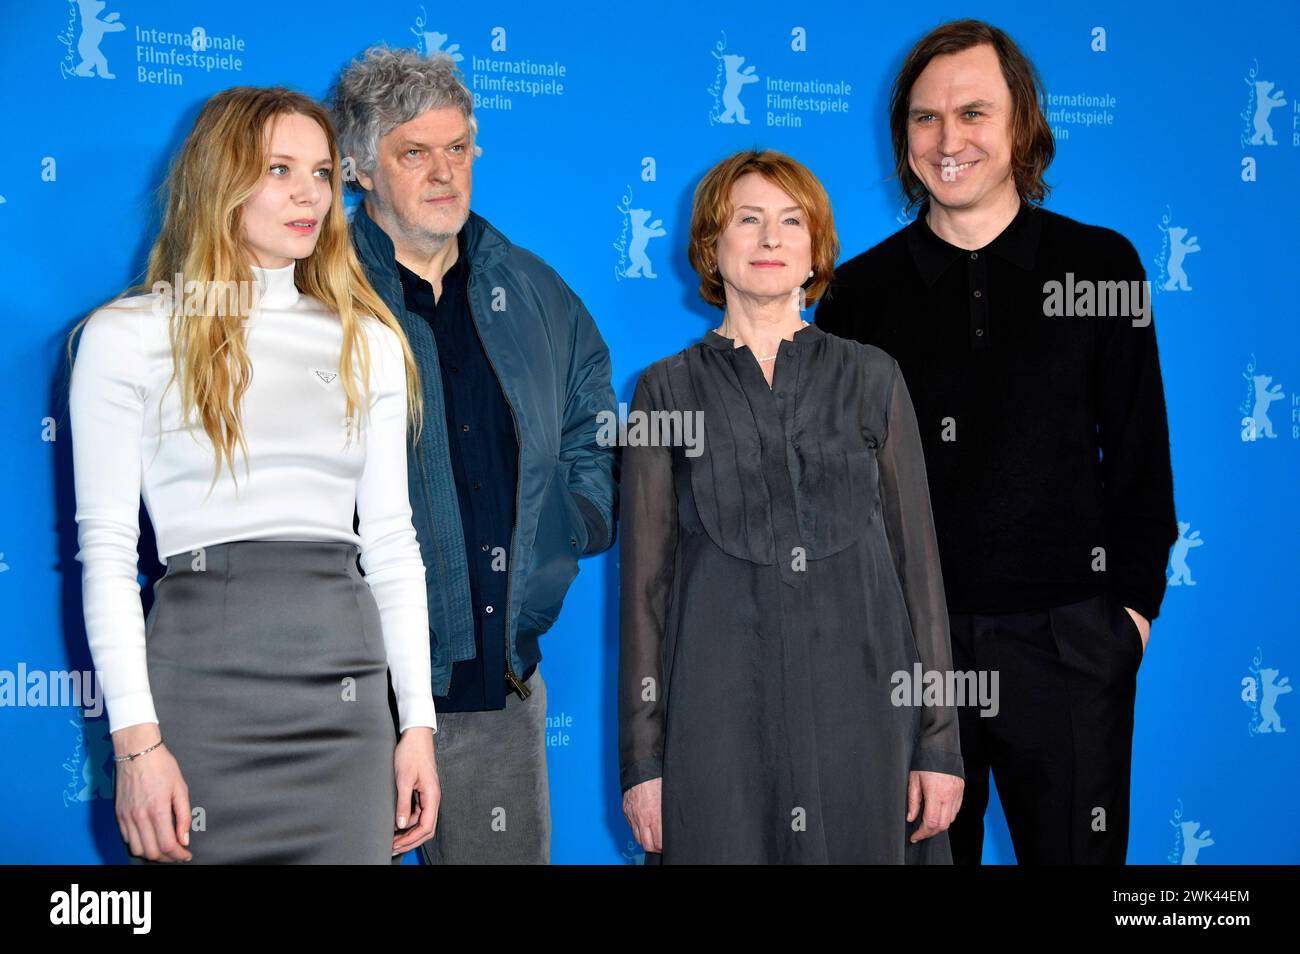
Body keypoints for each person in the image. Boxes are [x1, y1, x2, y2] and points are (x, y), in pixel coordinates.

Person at [816, 19, 1178, 864]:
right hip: (909, 653)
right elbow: (838, 485)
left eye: (973, 113)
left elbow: (1139, 455)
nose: (949, 141)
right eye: (926, 118)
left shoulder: (1101, 267)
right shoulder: (859, 294)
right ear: (903, 136)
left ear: (1021, 124)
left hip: (1068, 645)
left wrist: (1126, 620)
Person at [67, 86, 438, 864]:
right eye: (278, 169)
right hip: (200, 701)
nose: (311, 194)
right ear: (219, 179)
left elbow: (393, 546)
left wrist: (417, 726)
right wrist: (137, 746)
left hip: (346, 707)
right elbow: (104, 554)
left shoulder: (368, 342)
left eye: (322, 172)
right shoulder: (126, 338)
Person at [618, 149, 964, 864]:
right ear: (712, 243)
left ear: (816, 249)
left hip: (869, 726)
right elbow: (645, 592)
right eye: (748, 220)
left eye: (791, 221)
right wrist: (644, 764)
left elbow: (920, 572)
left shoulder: (873, 377)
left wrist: (939, 744)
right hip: (718, 732)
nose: (770, 238)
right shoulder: (663, 392)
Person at [330, 48, 618, 864]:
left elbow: (593, 422)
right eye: (414, 152)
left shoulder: (533, 290)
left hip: (497, 688)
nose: (444, 172)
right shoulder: (316, 291)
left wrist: (574, 522)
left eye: (457, 148)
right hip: (351, 694)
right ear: (360, 169)